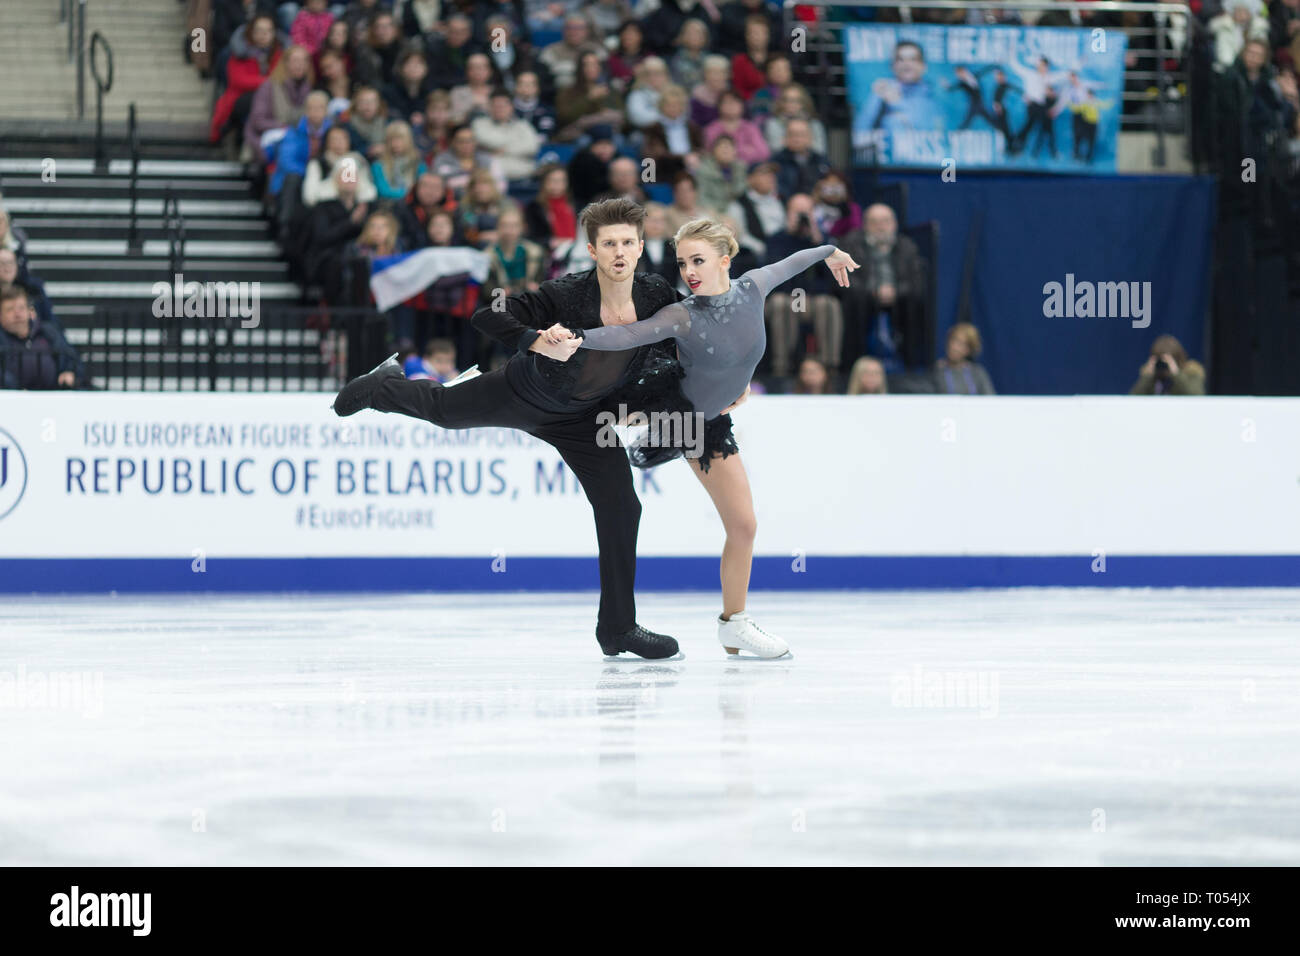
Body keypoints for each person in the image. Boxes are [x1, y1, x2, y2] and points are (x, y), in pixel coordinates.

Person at [331, 198, 683, 660]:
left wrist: (725, 387)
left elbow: (688, 344)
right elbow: (487, 313)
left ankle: (617, 627)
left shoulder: (658, 295)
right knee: (443, 411)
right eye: (608, 243)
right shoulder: (567, 293)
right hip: (524, 392)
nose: (619, 252)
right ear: (592, 250)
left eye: (627, 243)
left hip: (582, 419)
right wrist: (535, 339)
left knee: (622, 507)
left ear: (640, 247)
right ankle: (385, 387)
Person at [544, 218, 858, 659]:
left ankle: (734, 625)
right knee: (617, 416)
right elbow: (627, 334)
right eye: (682, 262)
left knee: (744, 525)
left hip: (712, 423)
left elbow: (792, 262)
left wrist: (830, 251)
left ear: (724, 260)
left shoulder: (752, 287)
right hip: (681, 416)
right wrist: (573, 337)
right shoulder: (682, 314)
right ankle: (632, 428)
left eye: (698, 260)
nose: (689, 271)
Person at [0, 285, 83, 389]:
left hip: (55, 397)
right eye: (10, 309)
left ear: (30, 311)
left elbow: (71, 357)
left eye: (21, 308)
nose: (17, 314)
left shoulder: (49, 332)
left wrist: (69, 371)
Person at [1129, 334, 1206, 395]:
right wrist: (1147, 376)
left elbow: (1196, 397)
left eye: (1167, 362)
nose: (1163, 365)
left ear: (1177, 359)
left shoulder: (1191, 373)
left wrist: (1176, 374)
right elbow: (1133, 400)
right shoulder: (1150, 377)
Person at [932, 323, 996, 394]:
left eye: (961, 344)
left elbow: (990, 399)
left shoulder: (977, 373)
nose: (955, 347)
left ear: (969, 349)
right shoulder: (938, 371)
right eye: (953, 340)